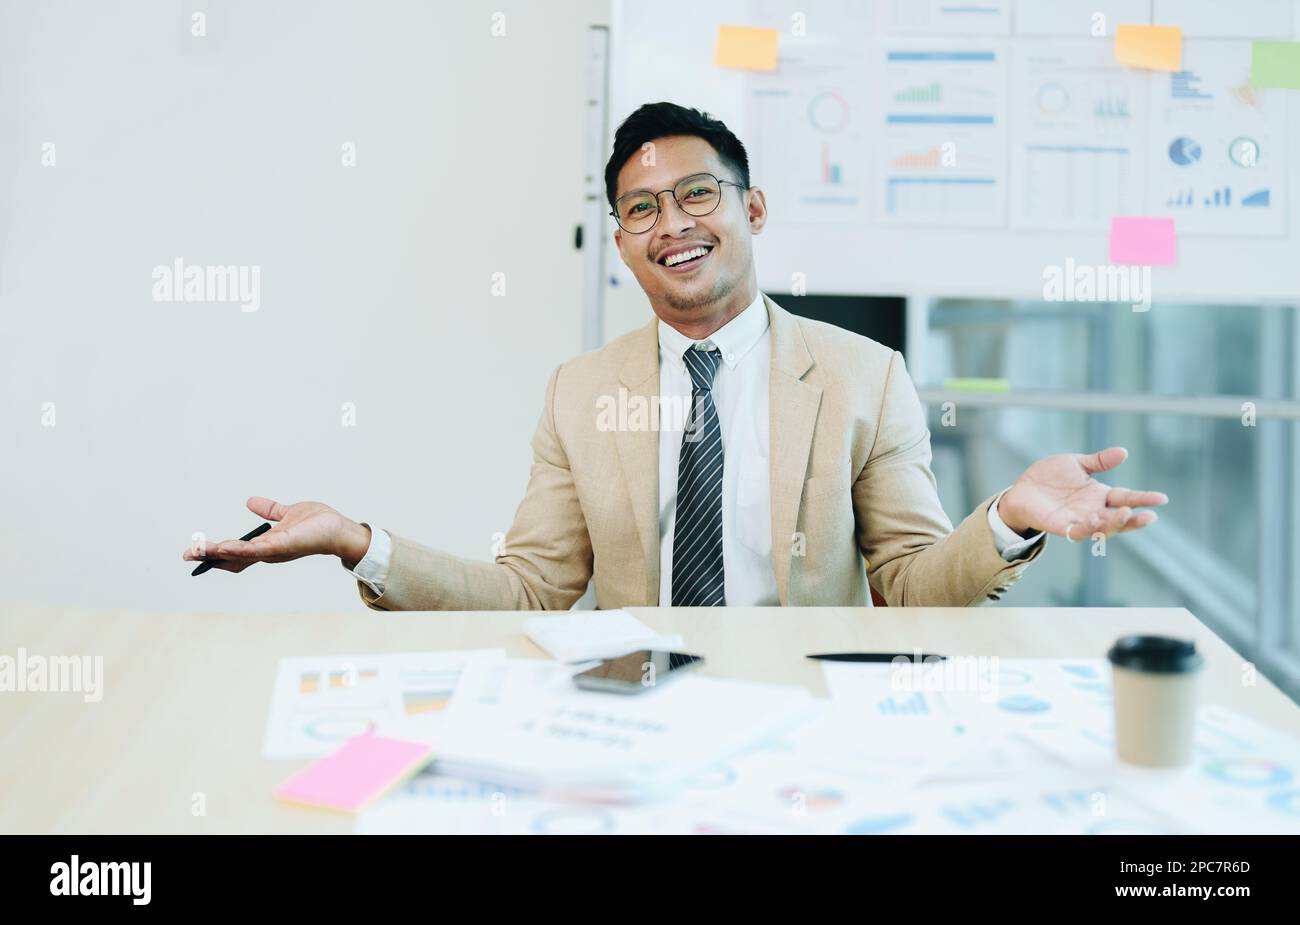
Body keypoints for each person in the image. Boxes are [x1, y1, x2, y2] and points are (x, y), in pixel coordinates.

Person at [183, 102, 1167, 609]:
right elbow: (529, 588)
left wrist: (1004, 520)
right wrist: (360, 540)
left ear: (752, 208)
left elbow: (908, 583)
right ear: (620, 243)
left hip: (803, 715)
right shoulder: (579, 392)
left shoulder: (862, 375)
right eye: (641, 209)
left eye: (698, 194)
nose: (672, 224)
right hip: (632, 712)